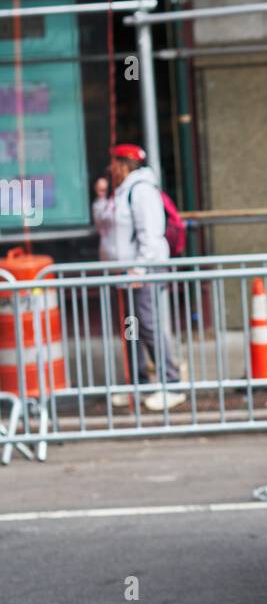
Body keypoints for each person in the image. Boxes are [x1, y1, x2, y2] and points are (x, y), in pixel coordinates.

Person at [92, 143, 184, 413]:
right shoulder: (118, 193)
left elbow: (150, 234)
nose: (111, 169)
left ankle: (172, 384)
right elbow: (106, 226)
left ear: (124, 165)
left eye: (115, 163)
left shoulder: (141, 191)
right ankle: (138, 383)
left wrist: (141, 269)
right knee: (131, 328)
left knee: (148, 325)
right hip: (123, 273)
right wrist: (99, 198)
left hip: (142, 271)